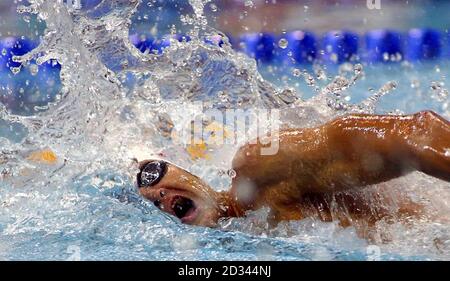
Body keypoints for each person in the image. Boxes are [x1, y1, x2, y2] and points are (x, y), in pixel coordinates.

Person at [136, 111, 450, 233]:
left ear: (193, 169)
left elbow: (414, 133)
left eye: (154, 172)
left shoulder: (258, 168)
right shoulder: (242, 230)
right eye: (151, 203)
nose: (159, 195)